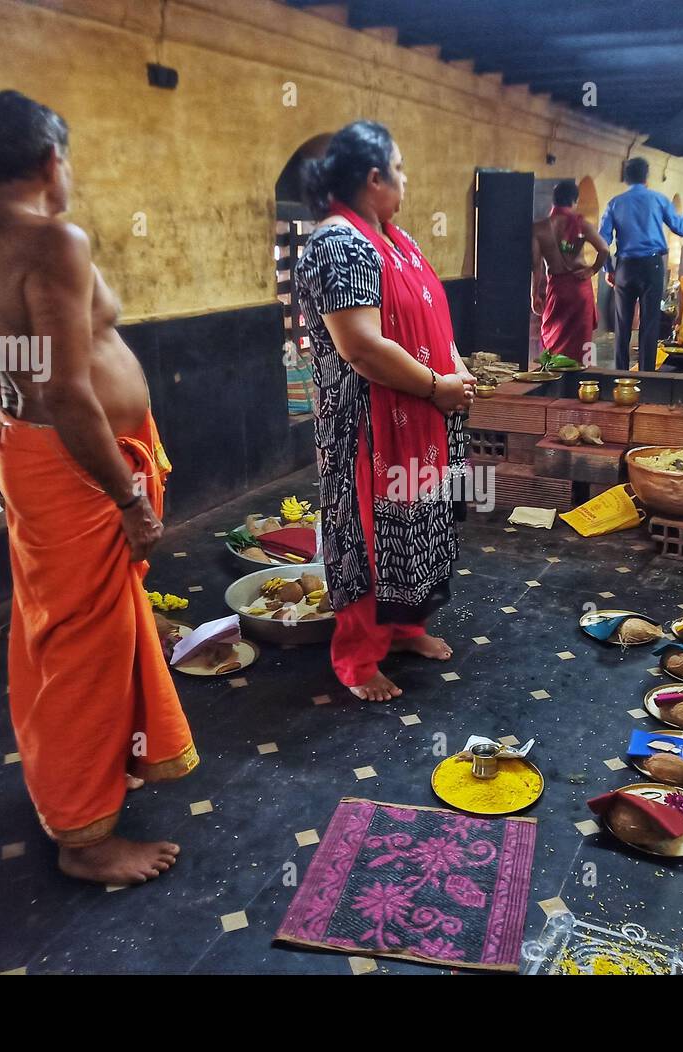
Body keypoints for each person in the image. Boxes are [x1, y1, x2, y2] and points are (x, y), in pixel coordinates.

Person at [0, 92, 196, 886]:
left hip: (32, 452)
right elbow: (66, 388)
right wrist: (129, 502)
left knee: (64, 631)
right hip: (76, 464)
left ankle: (97, 779)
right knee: (81, 648)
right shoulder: (54, 238)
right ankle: (85, 841)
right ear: (52, 161)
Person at [293, 121, 475, 703]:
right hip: (369, 429)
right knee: (368, 542)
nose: (406, 178)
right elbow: (362, 347)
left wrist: (455, 368)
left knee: (418, 529)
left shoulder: (396, 238)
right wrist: (434, 386)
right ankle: (358, 659)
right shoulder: (337, 244)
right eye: (399, 167)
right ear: (374, 177)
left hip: (419, 417)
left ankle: (404, 629)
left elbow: (430, 317)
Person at [599, 158, 683, 370]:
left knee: (622, 324)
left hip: (625, 266)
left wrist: (609, 268)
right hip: (652, 266)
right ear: (647, 176)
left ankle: (620, 375)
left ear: (626, 177)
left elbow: (602, 241)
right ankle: (646, 376)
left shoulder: (615, 203)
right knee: (649, 322)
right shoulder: (658, 199)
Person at [531, 180, 609, 365]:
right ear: (574, 200)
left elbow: (537, 266)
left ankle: (554, 381)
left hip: (557, 289)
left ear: (554, 200)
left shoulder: (539, 228)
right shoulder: (582, 224)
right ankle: (580, 386)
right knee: (581, 345)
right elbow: (604, 249)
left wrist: (534, 295)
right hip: (579, 288)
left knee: (554, 339)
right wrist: (592, 270)